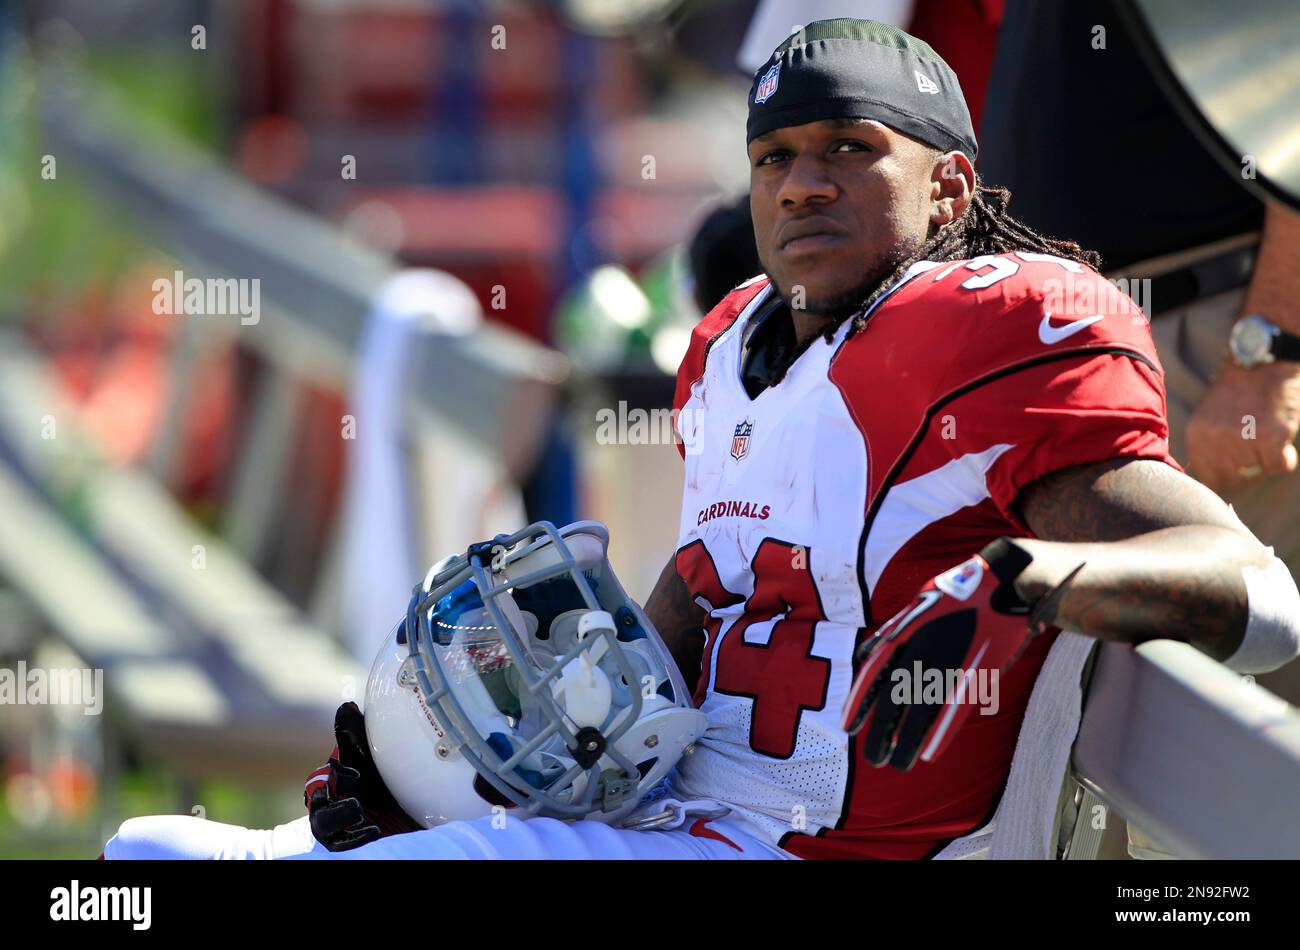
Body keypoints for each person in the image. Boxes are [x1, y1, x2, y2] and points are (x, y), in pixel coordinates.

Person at [104, 18, 1300, 861]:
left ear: (948, 188)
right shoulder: (733, 346)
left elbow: (1263, 597)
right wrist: (450, 769)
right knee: (142, 844)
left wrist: (1034, 582)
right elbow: (695, 602)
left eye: (849, 148)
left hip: (809, 845)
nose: (800, 185)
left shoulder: (997, 328)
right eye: (774, 158)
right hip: (675, 816)